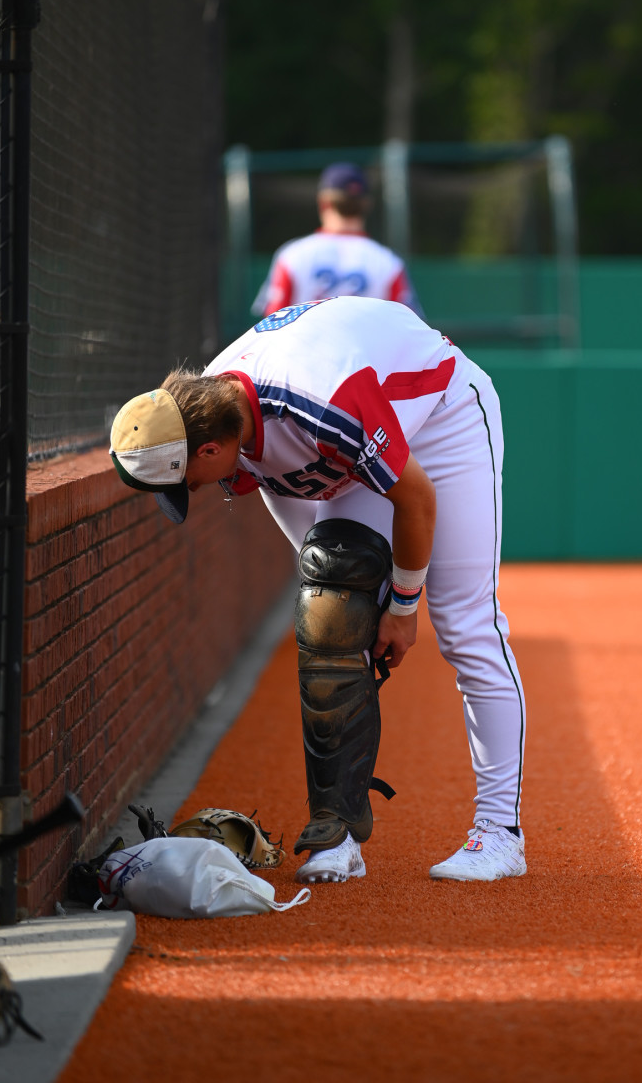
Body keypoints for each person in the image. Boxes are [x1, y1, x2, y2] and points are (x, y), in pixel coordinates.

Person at [109, 297, 526, 885]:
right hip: (354, 438)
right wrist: (346, 613)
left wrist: (403, 606)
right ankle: (338, 830)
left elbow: (416, 498)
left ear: (209, 450)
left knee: (465, 625)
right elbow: (312, 550)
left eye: (188, 480)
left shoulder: (317, 406)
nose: (194, 492)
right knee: (329, 620)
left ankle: (501, 833)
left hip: (439, 413)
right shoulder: (219, 418)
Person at [251, 162, 423, 317]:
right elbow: (406, 324)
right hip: (366, 352)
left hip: (305, 352)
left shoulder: (292, 255)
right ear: (367, 204)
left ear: (323, 203)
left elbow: (272, 321)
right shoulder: (389, 262)